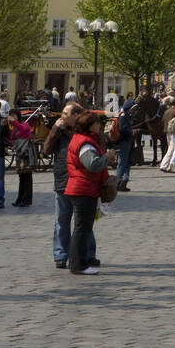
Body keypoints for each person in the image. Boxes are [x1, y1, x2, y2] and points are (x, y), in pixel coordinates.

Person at [44, 101, 98, 268]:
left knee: (84, 222)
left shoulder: (87, 132)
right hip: (63, 181)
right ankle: (60, 255)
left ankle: (88, 255)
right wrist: (54, 130)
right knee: (62, 221)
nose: (62, 116)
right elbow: (46, 150)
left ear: (76, 116)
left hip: (83, 183)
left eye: (65, 114)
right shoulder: (59, 132)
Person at [64, 110, 114, 275]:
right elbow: (92, 164)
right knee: (82, 228)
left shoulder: (83, 140)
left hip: (82, 188)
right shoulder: (85, 143)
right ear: (90, 125)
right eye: (97, 122)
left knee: (82, 228)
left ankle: (79, 261)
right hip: (83, 189)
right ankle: (78, 265)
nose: (100, 125)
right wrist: (106, 157)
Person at [10, 110, 35, 207]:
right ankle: (20, 198)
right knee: (22, 178)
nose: (12, 117)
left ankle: (26, 199)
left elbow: (24, 130)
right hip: (20, 153)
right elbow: (12, 139)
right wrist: (15, 144)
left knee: (27, 177)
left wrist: (14, 122)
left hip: (26, 154)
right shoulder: (14, 128)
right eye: (11, 115)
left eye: (14, 115)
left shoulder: (25, 124)